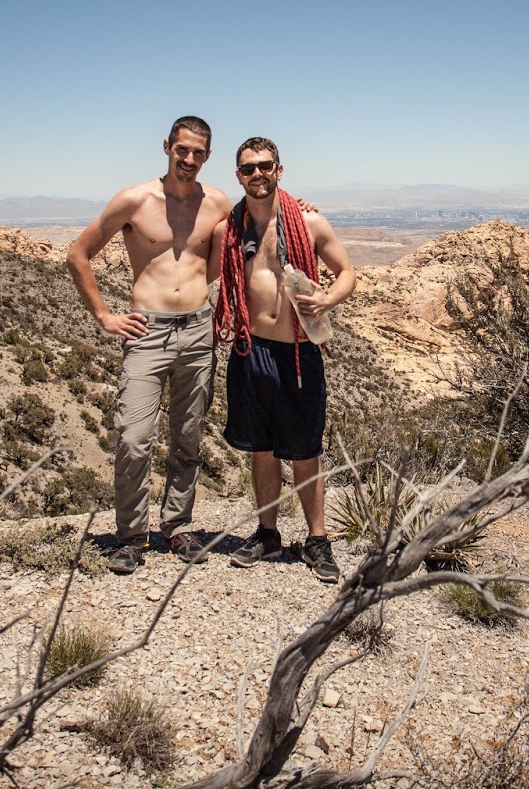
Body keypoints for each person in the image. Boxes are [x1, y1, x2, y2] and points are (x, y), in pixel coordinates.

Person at [67, 116, 231, 574]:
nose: (189, 159)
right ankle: (131, 536)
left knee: (188, 436)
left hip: (198, 329)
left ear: (208, 156)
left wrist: (301, 207)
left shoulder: (217, 202)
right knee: (135, 439)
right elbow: (77, 254)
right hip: (147, 332)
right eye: (182, 150)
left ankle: (177, 526)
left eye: (198, 153)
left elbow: (256, 225)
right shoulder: (135, 200)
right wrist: (104, 315)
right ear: (167, 147)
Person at [213, 137, 356, 583]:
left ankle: (317, 540)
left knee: (306, 449)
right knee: (262, 447)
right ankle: (267, 532)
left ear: (280, 169)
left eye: (265, 165)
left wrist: (328, 300)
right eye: (248, 168)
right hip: (250, 348)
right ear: (238, 176)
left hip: (298, 351)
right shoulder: (228, 230)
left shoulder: (308, 221)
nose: (257, 174)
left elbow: (347, 272)